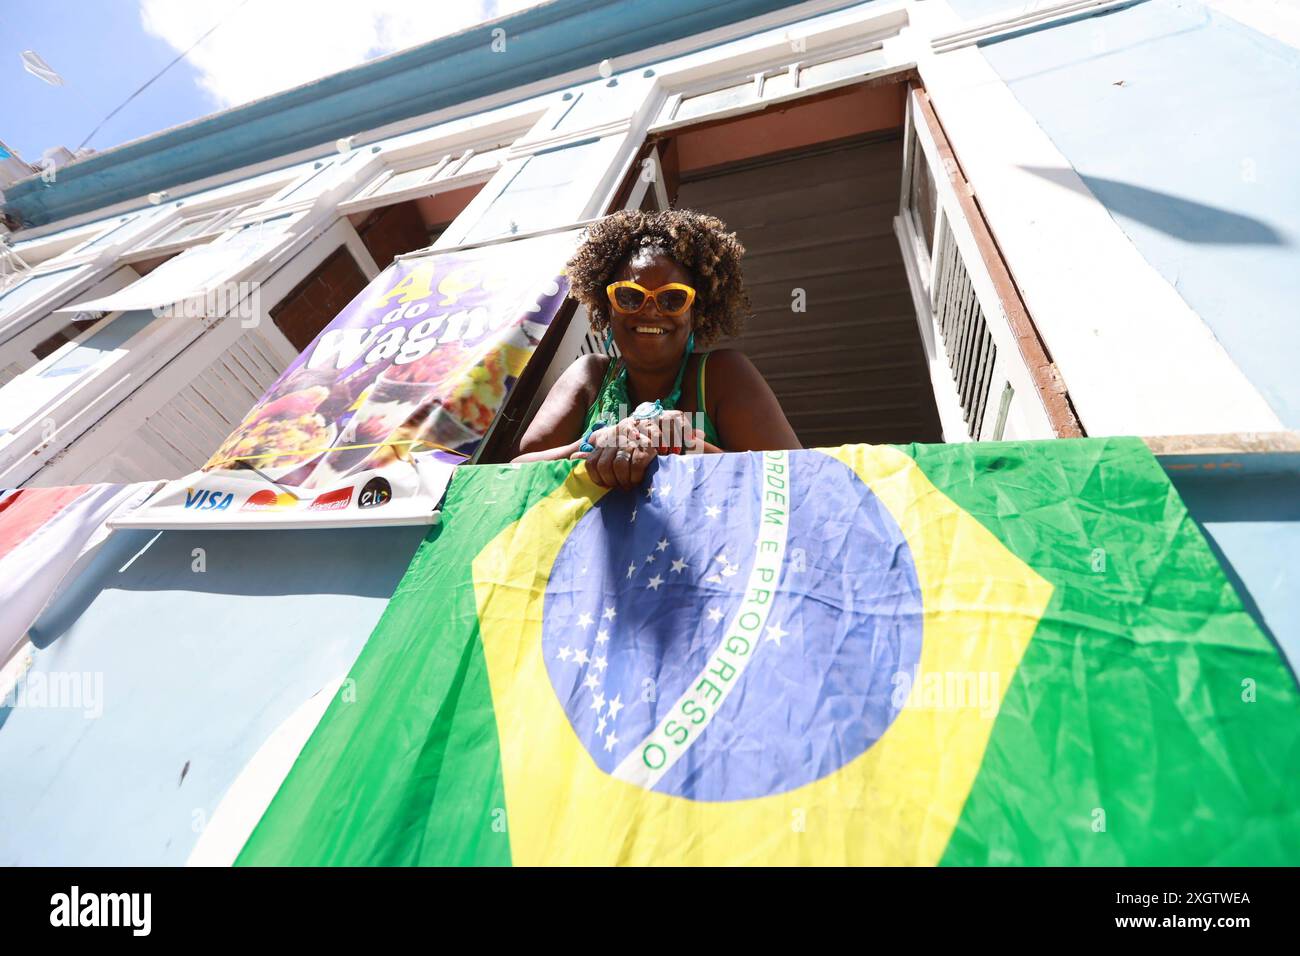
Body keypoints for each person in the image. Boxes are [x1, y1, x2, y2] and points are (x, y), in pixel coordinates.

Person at [515, 209, 800, 489]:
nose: (650, 312)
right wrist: (596, 440)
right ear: (607, 307)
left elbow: (794, 476)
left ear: (695, 311)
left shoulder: (722, 373)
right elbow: (515, 469)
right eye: (629, 296)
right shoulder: (589, 374)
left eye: (673, 298)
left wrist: (685, 445)